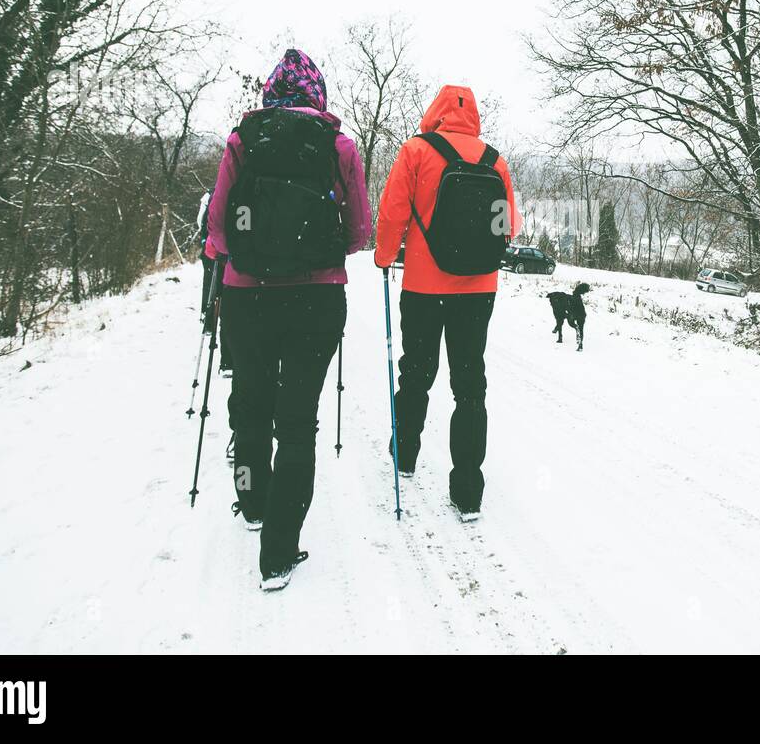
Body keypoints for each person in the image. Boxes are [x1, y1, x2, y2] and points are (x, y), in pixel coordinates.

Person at [207, 48, 370, 590]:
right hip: (316, 300)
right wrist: (318, 252)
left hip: (247, 298)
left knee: (249, 407)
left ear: (271, 91)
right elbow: (360, 231)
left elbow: (219, 226)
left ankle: (252, 502)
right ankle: (277, 553)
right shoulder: (337, 145)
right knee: (298, 422)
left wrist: (244, 260)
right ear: (317, 93)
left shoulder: (243, 139)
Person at [373, 85, 518, 521]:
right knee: (470, 384)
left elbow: (393, 210)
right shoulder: (495, 160)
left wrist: (384, 256)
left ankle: (405, 455)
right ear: (473, 115)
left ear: (435, 112)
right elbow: (509, 225)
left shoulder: (417, 150)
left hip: (422, 285)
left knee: (416, 372)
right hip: (477, 290)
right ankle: (468, 492)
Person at [196, 190, 233, 376]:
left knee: (215, 292)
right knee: (230, 303)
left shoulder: (214, 193)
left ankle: (209, 320)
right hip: (232, 255)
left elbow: (203, 222)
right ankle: (229, 359)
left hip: (217, 253)